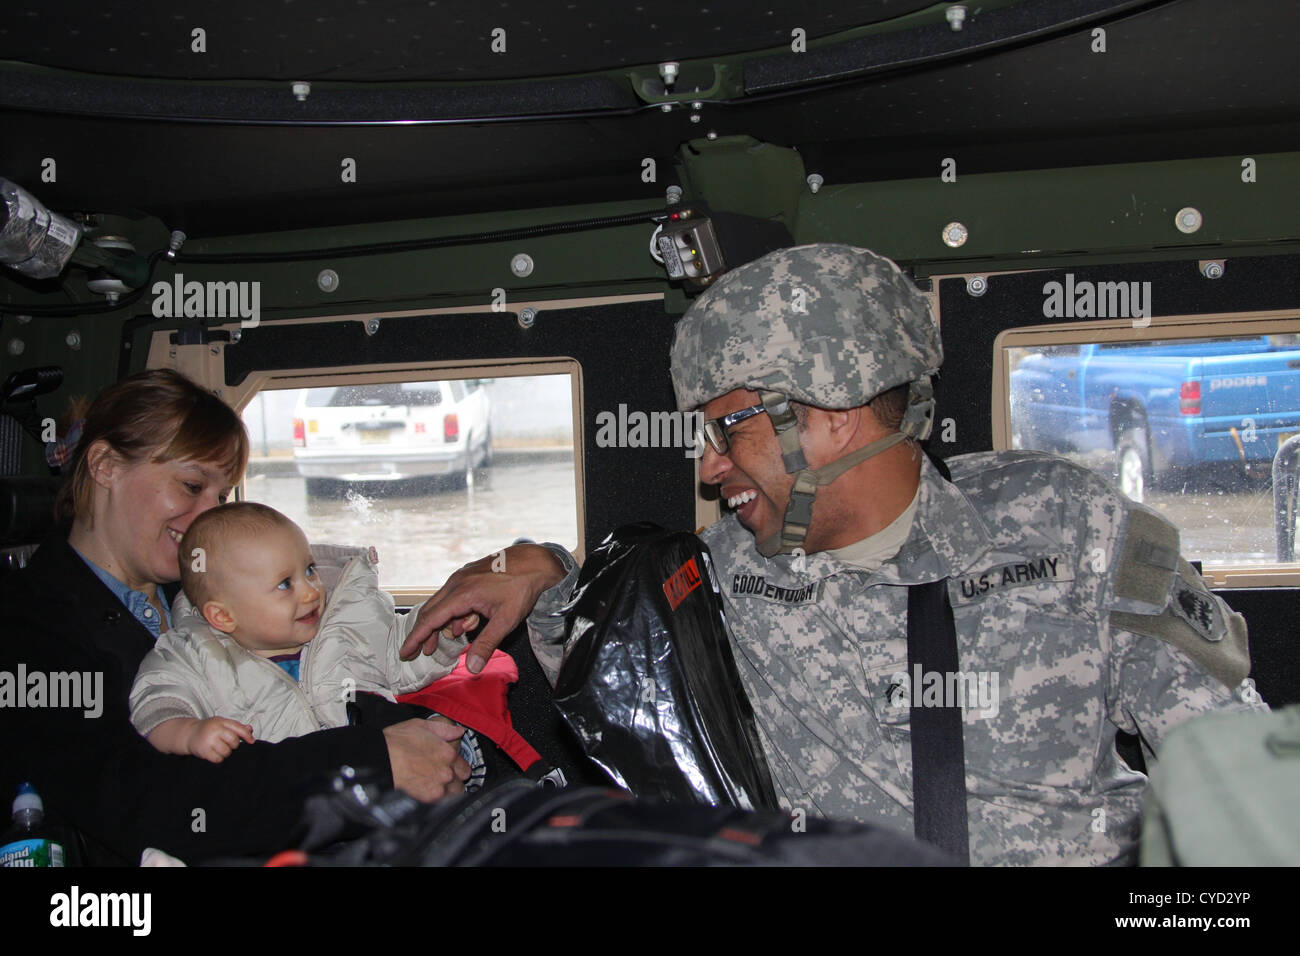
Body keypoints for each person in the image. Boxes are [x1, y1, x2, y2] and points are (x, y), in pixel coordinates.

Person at [403, 243, 1268, 865]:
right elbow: (610, 626)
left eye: (728, 427)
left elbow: (1238, 774)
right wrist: (539, 567)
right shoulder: (727, 576)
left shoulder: (1070, 525)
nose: (707, 467)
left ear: (833, 412)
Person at [0, 369, 470, 865]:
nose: (207, 515)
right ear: (105, 465)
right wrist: (368, 765)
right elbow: (140, 799)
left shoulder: (208, 595)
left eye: (220, 497)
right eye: (190, 485)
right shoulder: (27, 625)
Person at [130, 502, 469, 763]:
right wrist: (189, 733)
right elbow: (157, 701)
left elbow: (403, 654)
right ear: (223, 616)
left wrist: (441, 632)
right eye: (284, 584)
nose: (311, 592)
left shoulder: (347, 625)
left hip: (385, 780)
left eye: (309, 570)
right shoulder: (196, 655)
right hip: (290, 810)